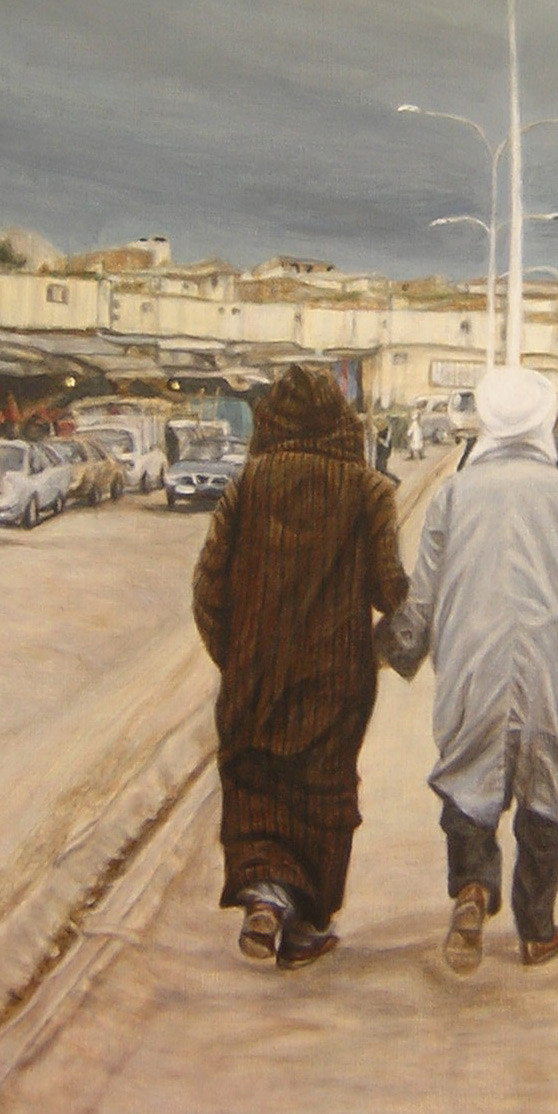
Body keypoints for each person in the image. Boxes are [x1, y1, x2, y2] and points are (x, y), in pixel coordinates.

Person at [377, 366, 558, 973]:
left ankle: (471, 890)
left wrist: (399, 647)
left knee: (469, 771)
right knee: (547, 781)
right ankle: (536, 929)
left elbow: (423, 594)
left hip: (471, 658)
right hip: (552, 662)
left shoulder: (453, 496)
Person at [192, 365, 408, 970]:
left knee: (255, 784)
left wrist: (234, 657)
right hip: (336, 678)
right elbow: (389, 589)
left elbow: (208, 586)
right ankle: (307, 925)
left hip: (254, 674)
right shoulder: (369, 490)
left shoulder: (247, 484)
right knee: (323, 791)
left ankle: (264, 894)